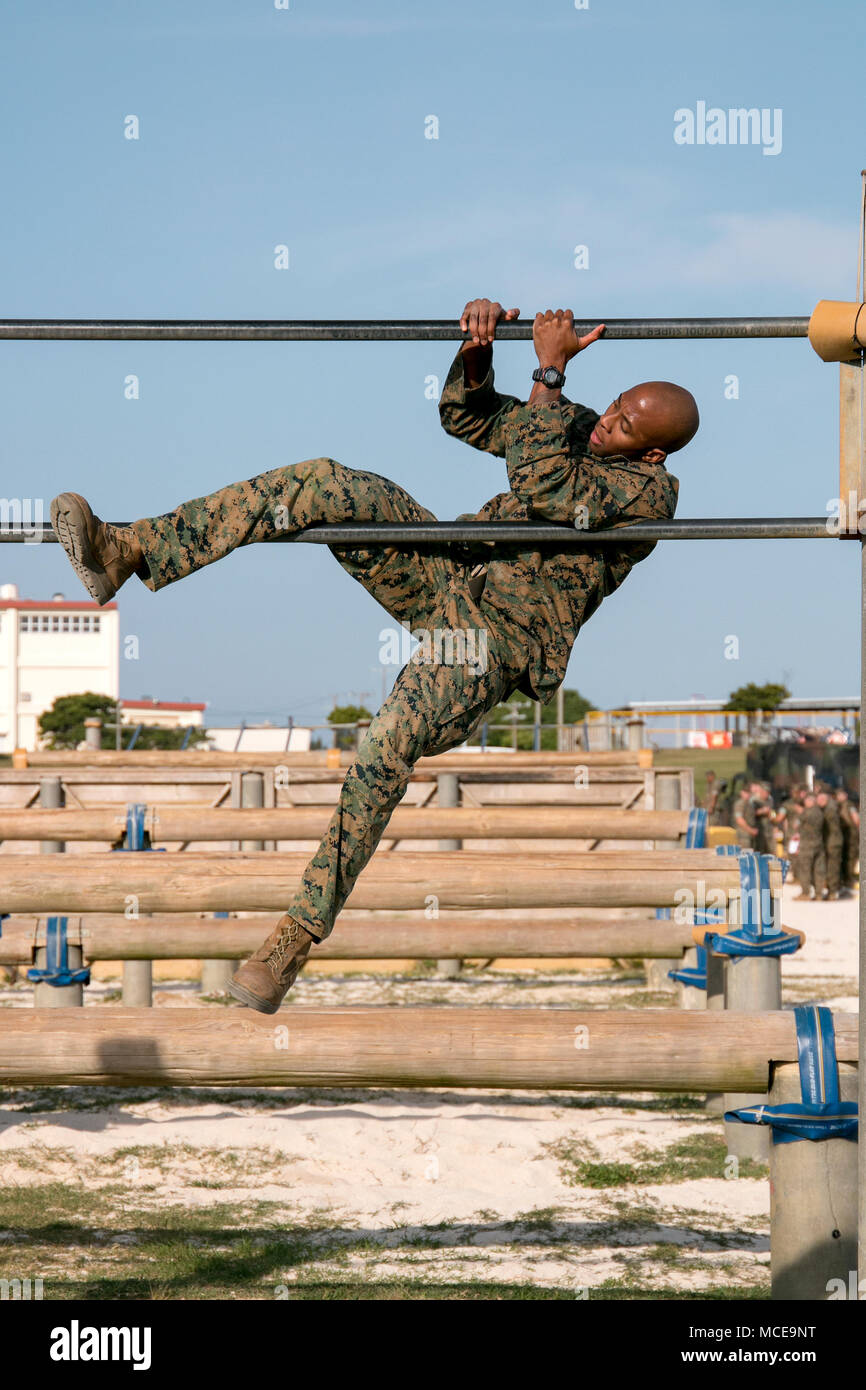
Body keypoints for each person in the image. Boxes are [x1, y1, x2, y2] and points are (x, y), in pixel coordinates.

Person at [50, 297, 699, 1014]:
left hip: (491, 639)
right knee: (322, 482)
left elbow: (546, 487)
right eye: (610, 407)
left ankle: (292, 941)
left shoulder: (649, 496)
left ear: (653, 451)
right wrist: (479, 356)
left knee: (384, 747)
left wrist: (548, 370)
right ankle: (132, 550)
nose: (605, 421)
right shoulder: (573, 426)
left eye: (625, 424)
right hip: (446, 568)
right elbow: (467, 418)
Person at [795, 793, 826, 900]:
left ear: (809, 801)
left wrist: (800, 813)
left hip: (807, 844)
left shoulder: (806, 813)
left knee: (805, 869)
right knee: (818, 870)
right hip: (818, 843)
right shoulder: (820, 812)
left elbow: (796, 824)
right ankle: (819, 894)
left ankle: (805, 893)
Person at [817, 788, 844, 900]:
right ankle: (831, 890)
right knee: (830, 866)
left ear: (824, 799)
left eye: (819, 800)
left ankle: (832, 892)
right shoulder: (829, 807)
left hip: (833, 842)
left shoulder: (830, 810)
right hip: (831, 841)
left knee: (832, 867)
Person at [835, 788, 859, 897]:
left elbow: (856, 819)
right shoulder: (843, 805)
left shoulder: (845, 805)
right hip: (847, 835)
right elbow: (855, 819)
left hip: (847, 835)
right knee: (848, 858)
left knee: (849, 858)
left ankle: (847, 881)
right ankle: (847, 881)